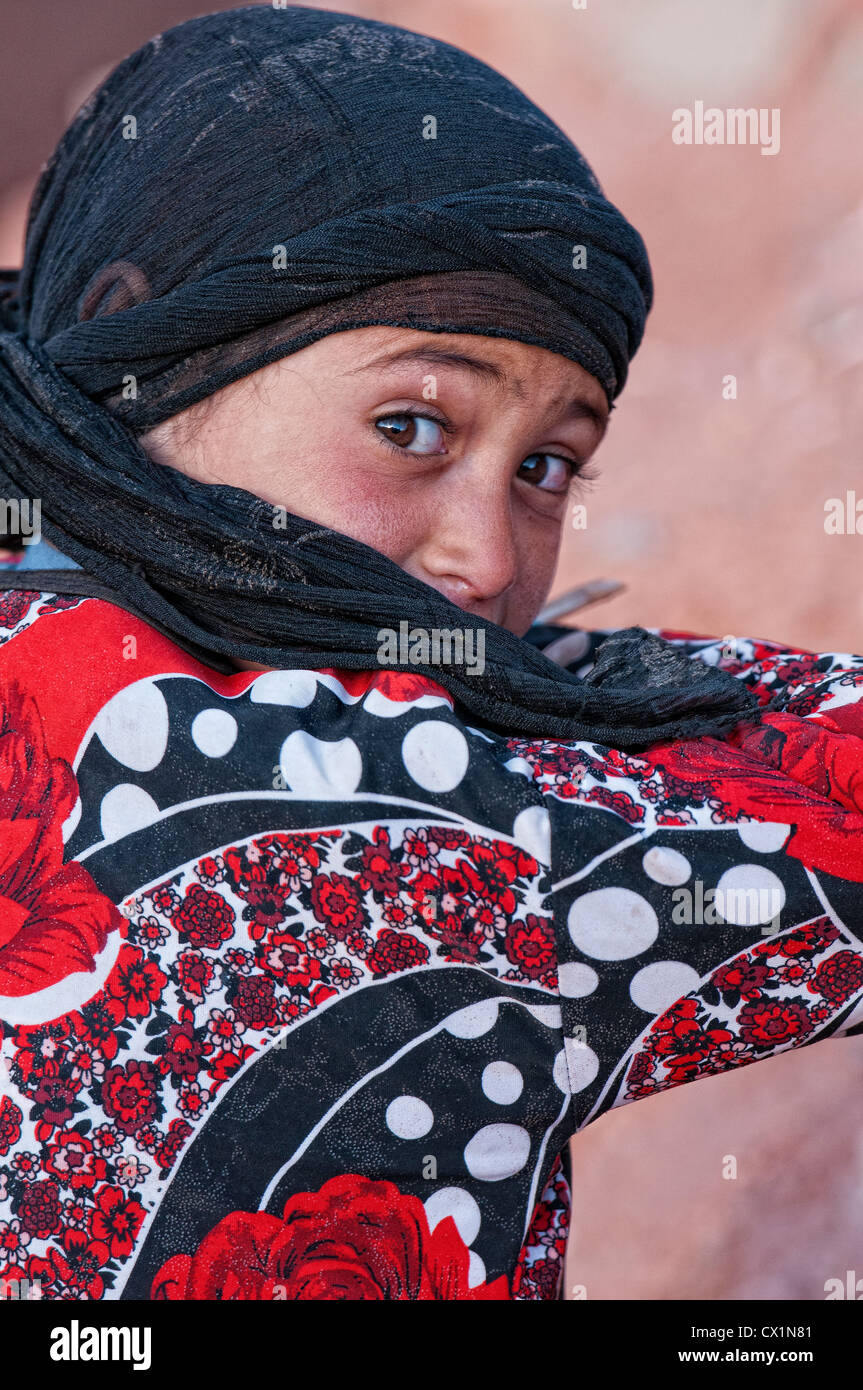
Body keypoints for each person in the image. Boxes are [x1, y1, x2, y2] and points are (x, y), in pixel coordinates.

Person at [0, 4, 860, 1303]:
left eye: (547, 467)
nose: (486, 556)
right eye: (412, 425)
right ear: (152, 365)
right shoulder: (398, 801)